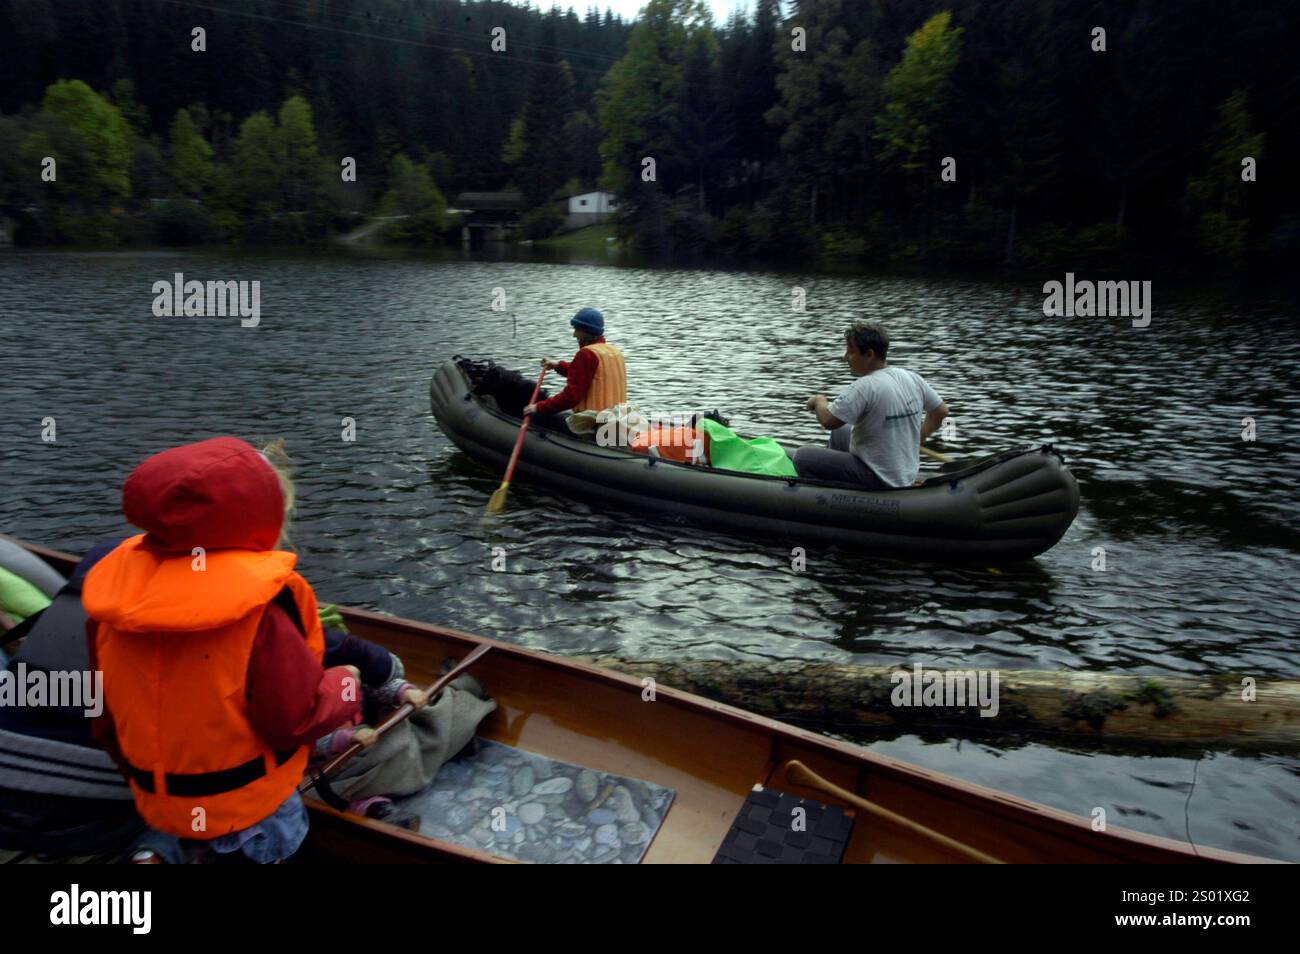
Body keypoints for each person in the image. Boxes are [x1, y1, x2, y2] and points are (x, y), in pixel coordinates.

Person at [81, 436, 425, 863]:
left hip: (160, 797)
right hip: (250, 808)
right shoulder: (260, 612)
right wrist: (347, 684)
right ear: (259, 521)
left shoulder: (114, 604)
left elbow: (102, 716)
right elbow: (294, 720)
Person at [795, 322, 949, 489]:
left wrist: (818, 400)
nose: (845, 356)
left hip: (879, 477)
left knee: (803, 457)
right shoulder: (911, 377)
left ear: (869, 354)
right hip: (904, 473)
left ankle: (830, 497)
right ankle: (836, 480)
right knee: (840, 431)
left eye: (850, 351)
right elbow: (941, 411)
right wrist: (921, 436)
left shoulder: (865, 387)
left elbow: (828, 420)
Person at [523, 307, 627, 419]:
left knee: (544, 419)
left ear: (586, 332)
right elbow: (587, 374)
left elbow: (571, 397)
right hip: (617, 419)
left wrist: (538, 408)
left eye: (577, 330)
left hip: (593, 423)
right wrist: (557, 365)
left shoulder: (587, 354)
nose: (574, 335)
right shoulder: (614, 351)